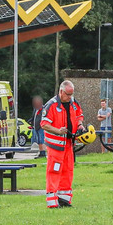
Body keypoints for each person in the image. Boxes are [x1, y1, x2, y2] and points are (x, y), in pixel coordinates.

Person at [41, 80, 85, 208]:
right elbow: (44, 125)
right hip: (56, 146)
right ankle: (52, 201)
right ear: (61, 92)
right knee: (54, 171)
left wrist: (81, 125)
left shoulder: (73, 103)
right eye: (68, 94)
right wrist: (58, 131)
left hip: (68, 144)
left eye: (71, 94)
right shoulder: (51, 105)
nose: (70, 97)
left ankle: (64, 199)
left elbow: (79, 115)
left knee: (68, 170)